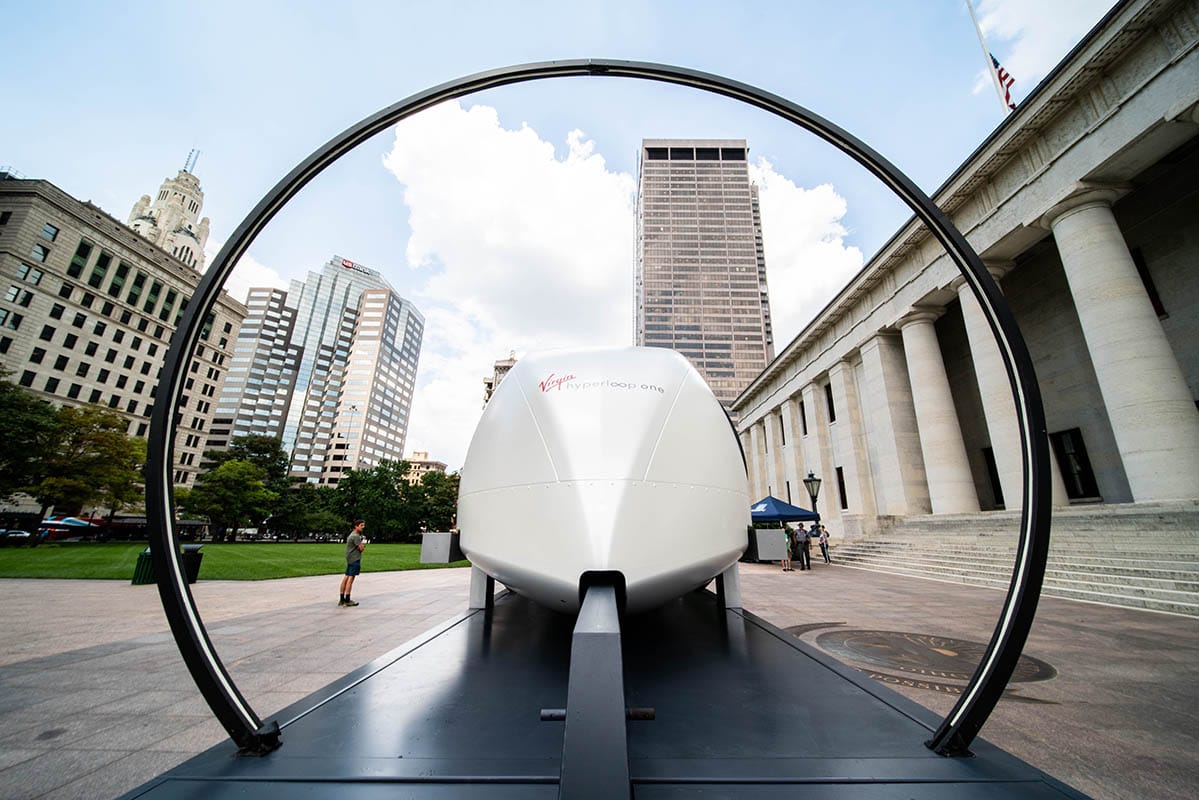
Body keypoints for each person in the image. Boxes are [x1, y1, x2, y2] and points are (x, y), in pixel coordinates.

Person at [338, 520, 366, 607]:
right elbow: (361, 548)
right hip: (354, 559)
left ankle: (342, 599)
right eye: (361, 525)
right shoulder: (356, 536)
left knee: (346, 577)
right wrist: (363, 544)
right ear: (356, 526)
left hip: (350, 558)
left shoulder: (351, 535)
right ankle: (347, 599)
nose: (363, 527)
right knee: (351, 579)